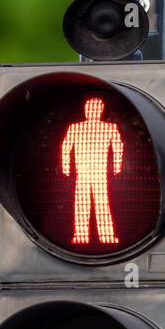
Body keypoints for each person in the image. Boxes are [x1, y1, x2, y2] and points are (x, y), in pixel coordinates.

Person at [59, 97, 124, 245]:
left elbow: (118, 147)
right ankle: (81, 236)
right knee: (82, 204)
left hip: (100, 172)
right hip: (83, 172)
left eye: (96, 109)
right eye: (89, 108)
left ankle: (106, 236)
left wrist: (117, 166)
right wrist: (66, 166)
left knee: (102, 204)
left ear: (101, 111)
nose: (92, 112)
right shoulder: (75, 128)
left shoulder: (110, 127)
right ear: (85, 110)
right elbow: (66, 148)